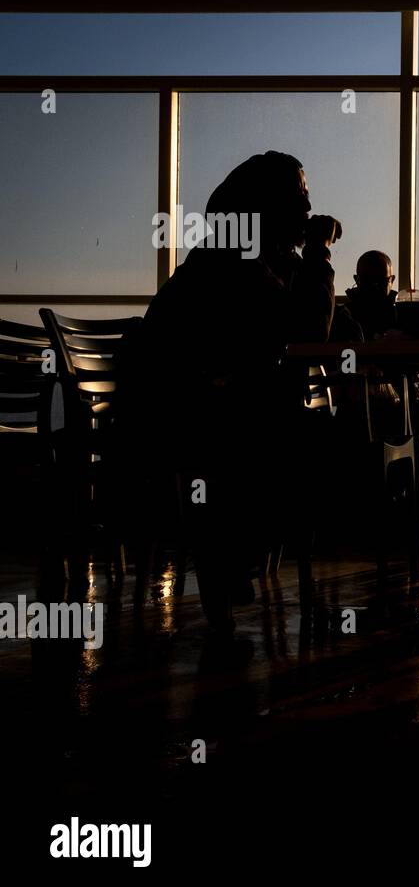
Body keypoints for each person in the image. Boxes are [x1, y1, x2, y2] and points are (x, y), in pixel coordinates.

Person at [122, 150, 341, 631]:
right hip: (179, 419)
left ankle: (239, 558)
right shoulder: (235, 260)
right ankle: (236, 560)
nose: (308, 210)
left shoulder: (243, 255)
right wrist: (320, 253)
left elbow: (301, 324)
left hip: (198, 408)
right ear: (265, 207)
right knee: (293, 432)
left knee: (292, 425)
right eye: (298, 199)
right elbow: (307, 326)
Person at [330, 250, 419, 439]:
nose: (375, 287)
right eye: (368, 282)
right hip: (391, 403)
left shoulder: (345, 314)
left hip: (368, 407)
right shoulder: (345, 316)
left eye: (380, 281)